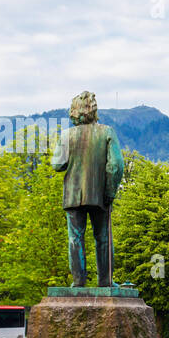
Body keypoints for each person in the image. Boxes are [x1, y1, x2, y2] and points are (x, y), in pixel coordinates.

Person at [52, 91, 124, 288]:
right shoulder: (107, 132)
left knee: (75, 239)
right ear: (94, 110)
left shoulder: (66, 136)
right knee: (104, 238)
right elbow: (116, 166)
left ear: (75, 112)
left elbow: (57, 164)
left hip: (73, 196)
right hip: (100, 195)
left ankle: (78, 282)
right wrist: (109, 192)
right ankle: (106, 281)